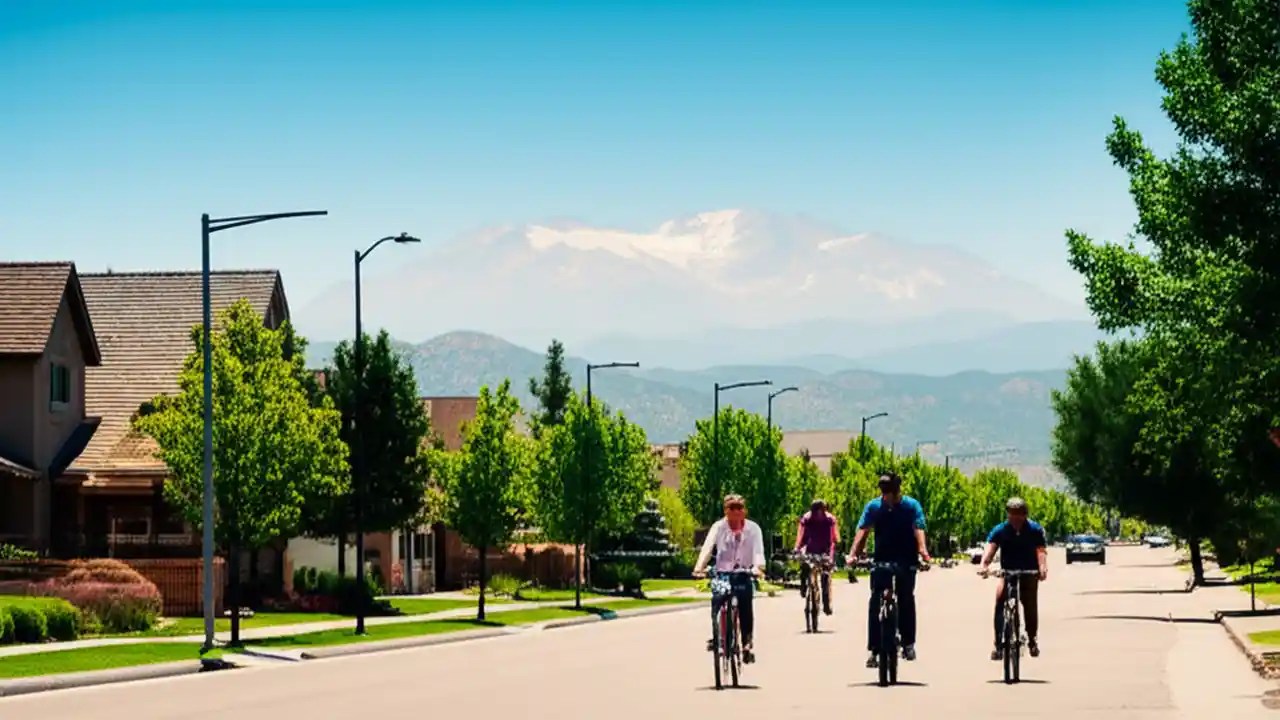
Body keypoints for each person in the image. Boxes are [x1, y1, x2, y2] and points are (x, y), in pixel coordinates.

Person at [849, 472, 931, 667]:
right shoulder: (874, 506)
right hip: (882, 559)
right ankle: (875, 649)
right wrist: (853, 554)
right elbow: (863, 530)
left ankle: (908, 642)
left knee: (905, 598)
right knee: (876, 599)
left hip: (906, 559)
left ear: (897, 491)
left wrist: (923, 552)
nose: (887, 497)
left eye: (890, 493)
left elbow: (918, 528)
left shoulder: (911, 506)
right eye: (884, 493)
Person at [694, 493, 766, 663]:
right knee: (717, 600)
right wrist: (699, 568)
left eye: (739, 508)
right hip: (722, 573)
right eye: (731, 508)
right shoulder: (718, 527)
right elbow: (707, 547)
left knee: (745, 601)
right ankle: (718, 635)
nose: (735, 512)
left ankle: (747, 642)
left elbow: (758, 552)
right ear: (725, 511)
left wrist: (758, 567)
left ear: (745, 511)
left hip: (744, 573)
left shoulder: (753, 529)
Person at [978, 496, 1048, 659]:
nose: (1015, 518)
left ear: (1025, 514)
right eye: (1012, 514)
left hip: (1028, 572)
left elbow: (1041, 551)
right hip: (1008, 573)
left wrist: (1042, 568)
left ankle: (1032, 639)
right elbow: (991, 548)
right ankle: (998, 644)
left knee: (1030, 604)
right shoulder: (1001, 530)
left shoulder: (1035, 530)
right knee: (1000, 599)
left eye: (1019, 514)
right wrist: (984, 565)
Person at [794, 498, 839, 615]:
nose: (818, 514)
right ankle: (803, 586)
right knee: (805, 565)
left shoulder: (829, 520)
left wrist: (831, 556)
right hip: (809, 548)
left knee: (825, 575)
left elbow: (834, 538)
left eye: (821, 511)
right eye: (816, 511)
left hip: (825, 549)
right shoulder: (807, 519)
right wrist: (797, 548)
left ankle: (826, 603)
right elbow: (800, 534)